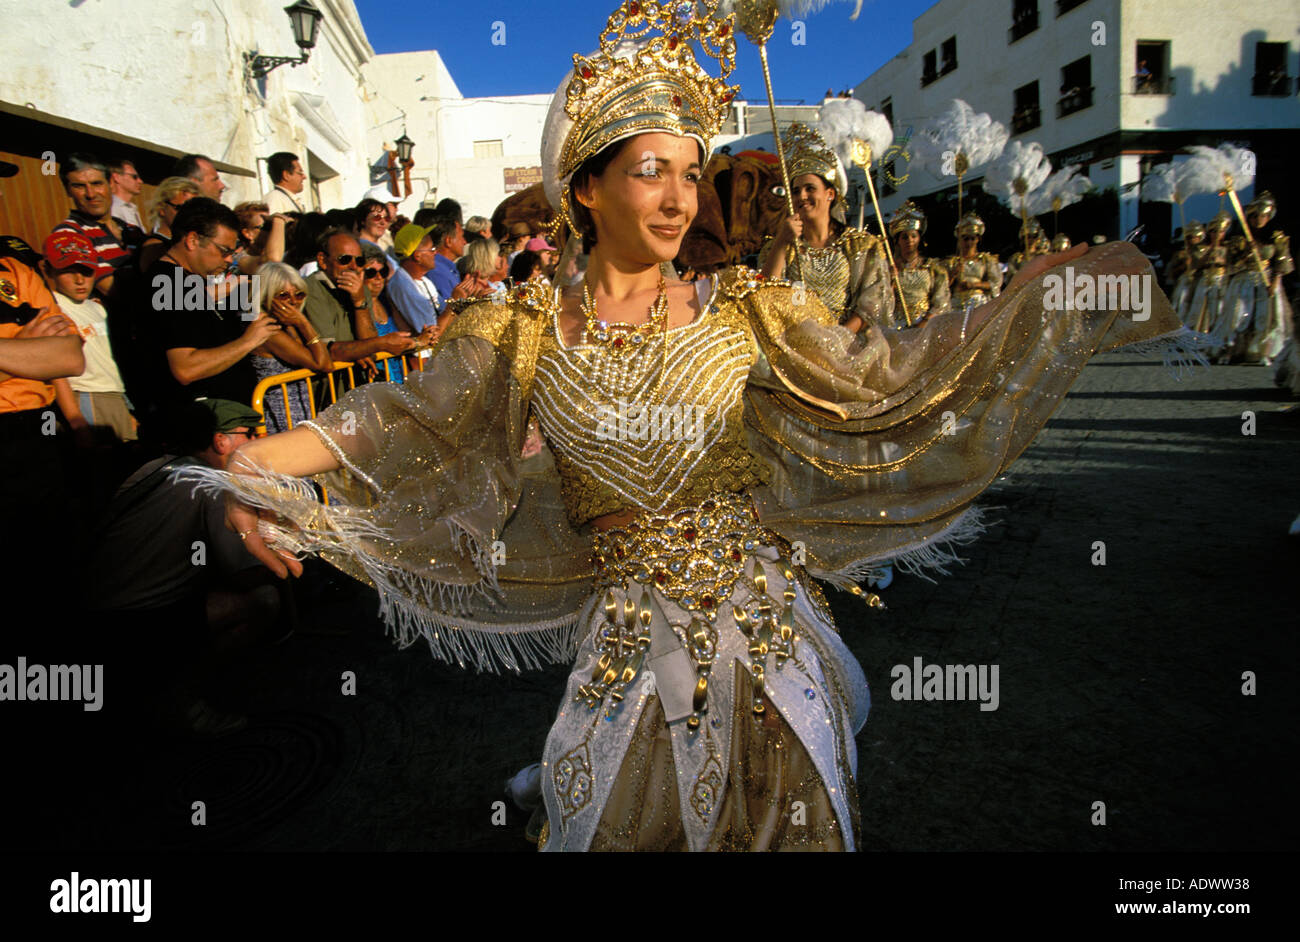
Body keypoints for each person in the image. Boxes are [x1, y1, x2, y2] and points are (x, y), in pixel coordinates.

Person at [188, 0, 1193, 853]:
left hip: (767, 630)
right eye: (649, 171)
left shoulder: (748, 313)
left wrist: (1036, 302)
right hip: (630, 645)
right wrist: (252, 463)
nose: (678, 198)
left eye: (690, 172)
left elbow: (891, 374)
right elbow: (398, 415)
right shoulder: (521, 331)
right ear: (586, 184)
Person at [140, 198, 274, 421]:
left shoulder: (186, 282)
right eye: (223, 251)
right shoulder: (169, 284)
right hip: (203, 427)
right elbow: (186, 368)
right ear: (192, 240)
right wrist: (249, 341)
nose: (229, 260)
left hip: (225, 418)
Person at [758, 122, 893, 332]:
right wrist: (782, 242)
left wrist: (840, 338)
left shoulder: (860, 245)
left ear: (830, 194)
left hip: (850, 346)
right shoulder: (783, 247)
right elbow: (765, 294)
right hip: (799, 349)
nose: (801, 196)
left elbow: (873, 298)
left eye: (810, 188)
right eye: (795, 191)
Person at [40, 231, 136, 444]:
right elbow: (56, 369)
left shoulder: (97, 308)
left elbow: (106, 361)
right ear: (48, 270)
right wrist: (75, 419)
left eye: (87, 271)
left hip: (112, 395)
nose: (80, 279)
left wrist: (124, 405)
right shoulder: (51, 307)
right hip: (84, 395)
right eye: (69, 271)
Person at [302, 228, 416, 371]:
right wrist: (379, 343)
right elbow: (328, 350)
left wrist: (359, 302)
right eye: (345, 259)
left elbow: (368, 341)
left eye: (359, 261)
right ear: (323, 260)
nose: (354, 267)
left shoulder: (360, 290)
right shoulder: (311, 290)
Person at [247, 262, 332, 432]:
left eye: (299, 295)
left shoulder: (286, 325)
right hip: (280, 424)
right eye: (283, 295)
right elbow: (323, 364)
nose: (293, 301)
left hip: (298, 417)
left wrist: (296, 324)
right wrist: (303, 322)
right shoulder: (268, 331)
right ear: (265, 296)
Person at [52, 153, 144, 301]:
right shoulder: (68, 234)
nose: (90, 194)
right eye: (79, 186)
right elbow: (114, 289)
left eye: (97, 183)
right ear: (68, 191)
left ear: (111, 184)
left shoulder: (132, 230)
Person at [1221, 192, 1292, 365]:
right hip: (1244, 280)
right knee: (1238, 316)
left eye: (1263, 216)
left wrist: (1274, 284)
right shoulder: (1239, 239)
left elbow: (1281, 261)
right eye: (1256, 216)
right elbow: (1230, 265)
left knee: (1266, 317)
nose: (1259, 220)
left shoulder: (1277, 237)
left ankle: (1263, 352)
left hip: (1266, 280)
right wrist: (1246, 254)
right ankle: (1232, 351)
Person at [887, 199, 950, 325]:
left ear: (919, 238)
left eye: (913, 236)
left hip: (926, 325)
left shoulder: (932, 268)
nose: (909, 240)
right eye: (904, 237)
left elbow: (941, 299)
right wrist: (889, 281)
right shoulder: (889, 269)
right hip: (898, 325)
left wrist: (926, 321)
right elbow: (881, 301)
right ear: (898, 241)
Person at [385, 222, 442, 333]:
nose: (435, 253)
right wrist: (452, 308)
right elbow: (430, 332)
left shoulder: (425, 281)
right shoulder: (402, 285)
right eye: (432, 249)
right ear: (417, 256)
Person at [138, 176, 200, 271]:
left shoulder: (181, 244)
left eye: (195, 210)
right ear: (161, 208)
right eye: (180, 208)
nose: (189, 214)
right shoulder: (154, 247)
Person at [1188, 211, 1233, 343]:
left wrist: (1220, 260)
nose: (1217, 235)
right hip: (1205, 280)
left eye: (1220, 232)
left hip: (1222, 281)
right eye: (1214, 232)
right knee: (1200, 309)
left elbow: (1232, 264)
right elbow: (1196, 264)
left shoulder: (1228, 248)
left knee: (1219, 309)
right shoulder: (1201, 248)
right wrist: (1209, 253)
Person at [944, 211, 1002, 313]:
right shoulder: (951, 262)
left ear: (978, 239)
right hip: (957, 305)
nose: (969, 242)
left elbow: (995, 283)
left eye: (972, 238)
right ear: (959, 238)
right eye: (965, 238)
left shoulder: (986, 260)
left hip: (978, 303)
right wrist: (953, 275)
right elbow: (941, 287)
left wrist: (974, 285)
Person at [1167, 221, 1206, 325]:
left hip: (1199, 283)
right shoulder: (1180, 254)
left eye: (1194, 237)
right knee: (1181, 305)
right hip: (1184, 283)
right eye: (1189, 237)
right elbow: (1170, 274)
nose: (1192, 240)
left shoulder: (1205, 252)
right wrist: (1183, 266)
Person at [108, 158, 144, 229]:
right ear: (117, 177)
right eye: (134, 177)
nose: (140, 181)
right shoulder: (111, 207)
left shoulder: (132, 208)